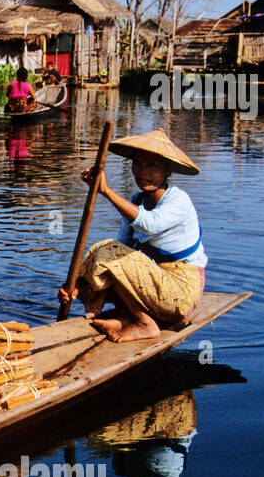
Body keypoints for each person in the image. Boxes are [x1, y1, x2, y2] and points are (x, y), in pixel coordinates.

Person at [57, 128, 206, 342]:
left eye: (153, 165)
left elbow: (149, 224)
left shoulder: (179, 200)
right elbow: (122, 247)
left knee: (108, 251)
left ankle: (144, 323)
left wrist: (106, 192)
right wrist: (77, 287)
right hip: (155, 285)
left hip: (180, 292)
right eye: (138, 164)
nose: (142, 172)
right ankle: (122, 316)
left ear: (167, 170)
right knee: (103, 254)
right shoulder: (136, 201)